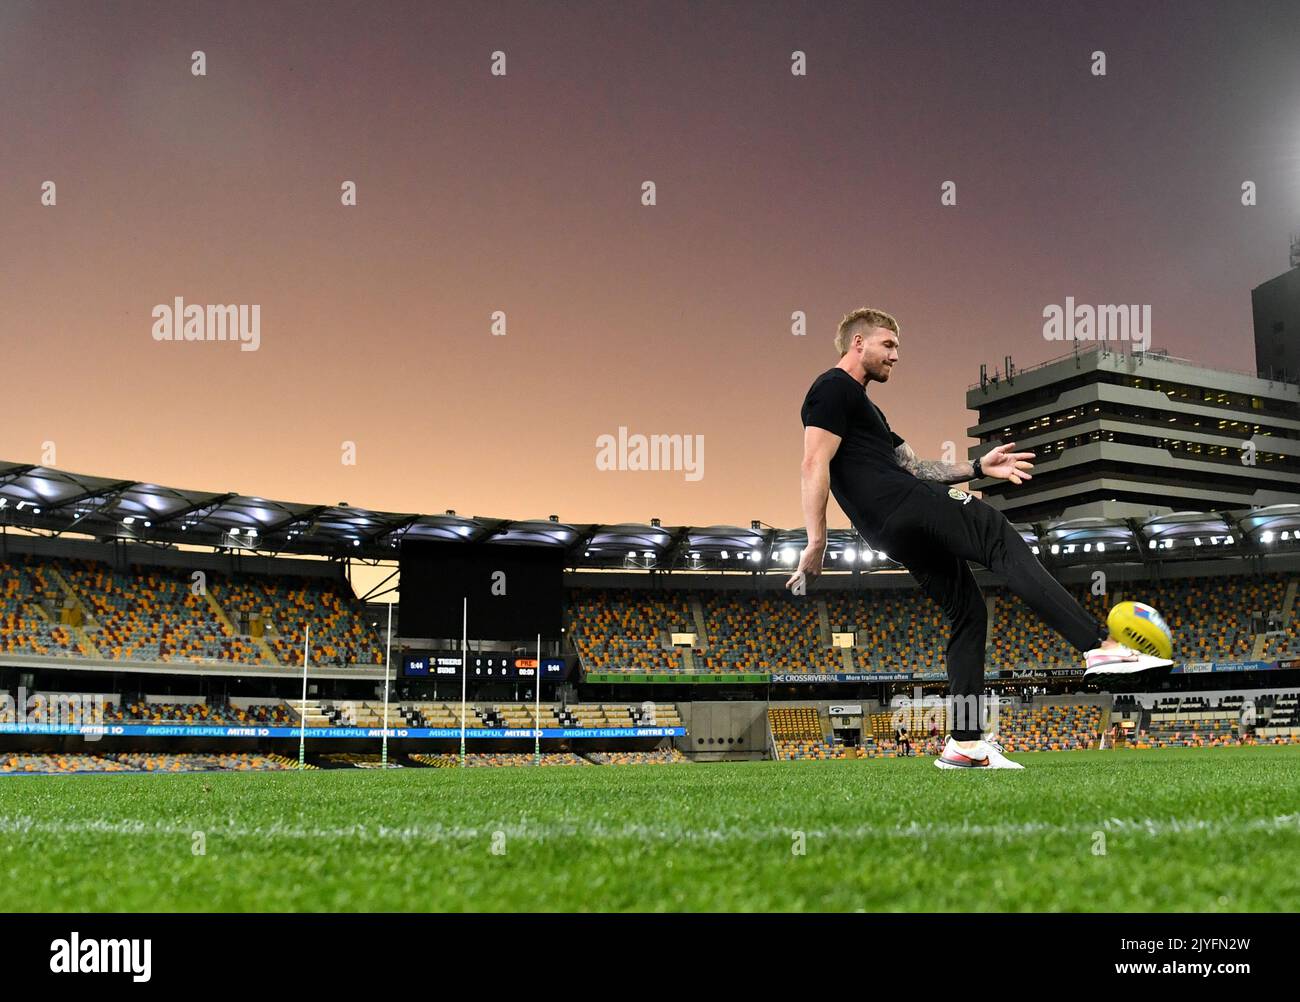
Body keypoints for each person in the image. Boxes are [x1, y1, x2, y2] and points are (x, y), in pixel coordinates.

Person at [786, 308, 1173, 770]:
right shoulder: (832, 387)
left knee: (968, 611)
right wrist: (817, 540)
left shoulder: (866, 408)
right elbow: (813, 462)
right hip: (899, 505)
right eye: (888, 345)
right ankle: (1099, 646)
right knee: (994, 532)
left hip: (888, 527)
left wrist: (975, 468)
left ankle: (964, 744)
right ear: (857, 344)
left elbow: (914, 465)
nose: (896, 355)